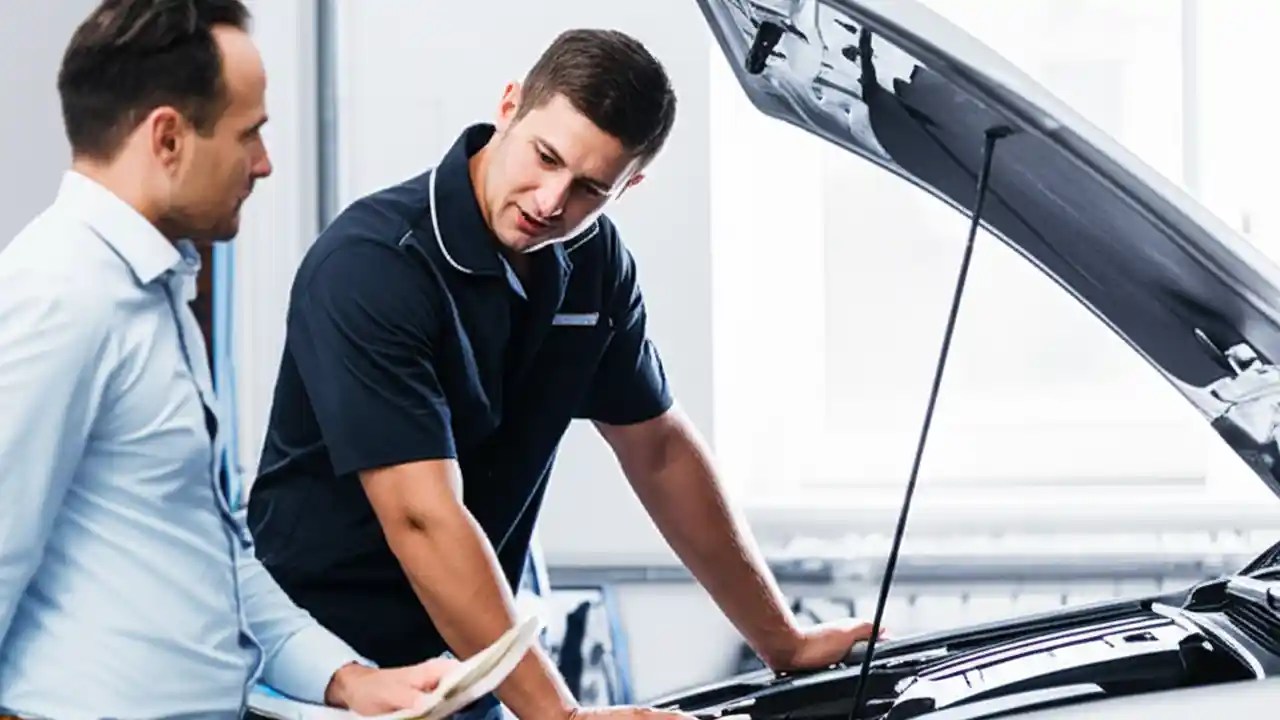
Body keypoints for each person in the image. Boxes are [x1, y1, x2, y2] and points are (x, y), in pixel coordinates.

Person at [247, 27, 883, 720]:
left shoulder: (594, 263)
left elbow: (659, 449)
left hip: (475, 676)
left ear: (629, 186)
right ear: (510, 104)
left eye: (588, 187)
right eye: (545, 157)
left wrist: (781, 640)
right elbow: (422, 517)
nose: (551, 202)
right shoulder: (372, 265)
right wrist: (561, 717)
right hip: (326, 685)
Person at [0, 2, 460, 718]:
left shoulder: (150, 293)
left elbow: (216, 557)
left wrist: (345, 679)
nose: (265, 163)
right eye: (250, 133)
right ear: (169, 138)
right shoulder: (60, 294)